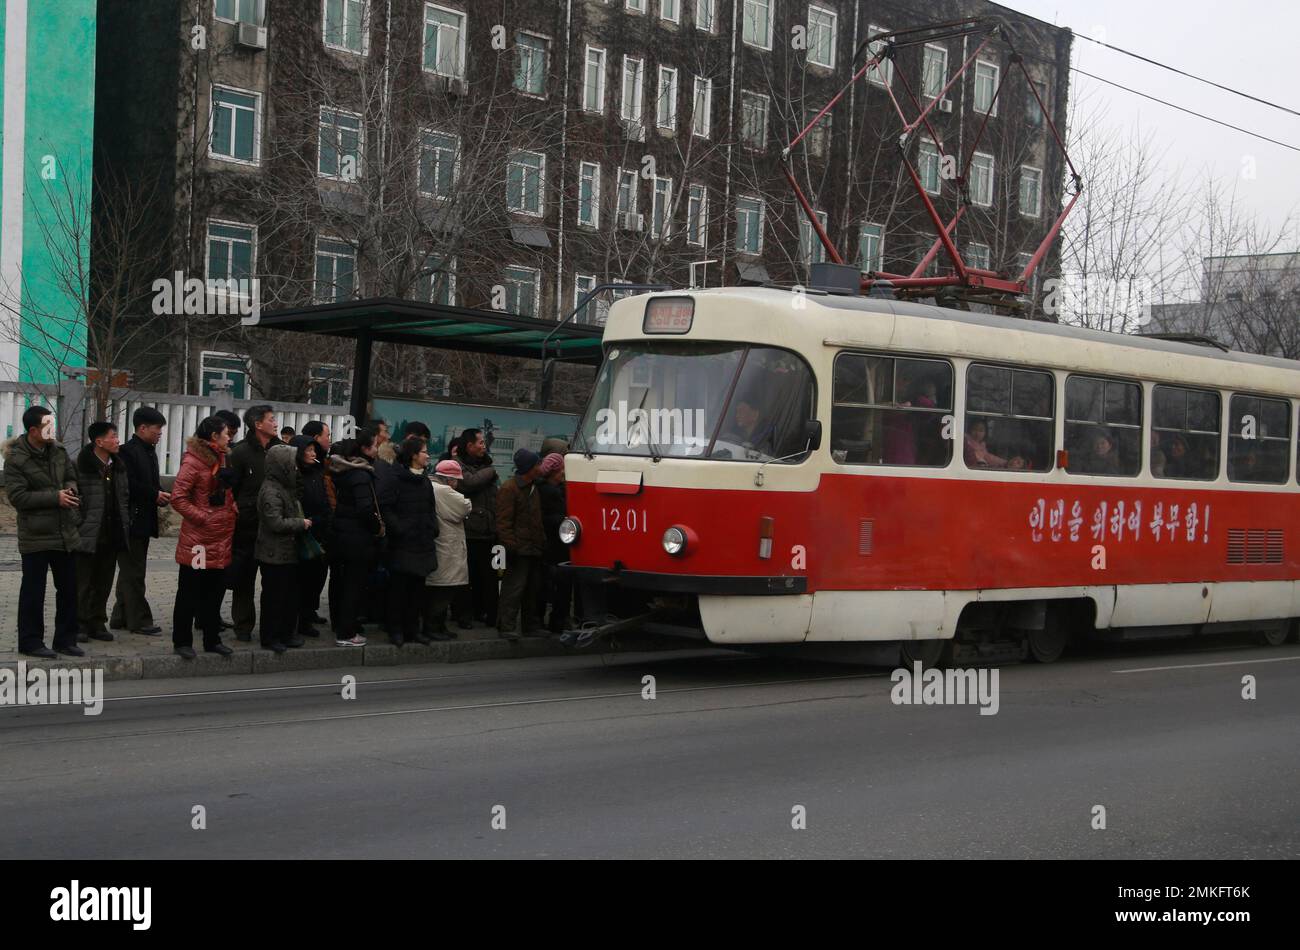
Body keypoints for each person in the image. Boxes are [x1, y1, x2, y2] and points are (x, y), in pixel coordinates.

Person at [4, 406, 82, 658]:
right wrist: (54, 497)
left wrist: (70, 490)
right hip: (36, 534)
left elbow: (71, 476)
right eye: (48, 426)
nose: (53, 430)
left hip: (64, 531)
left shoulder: (58, 450)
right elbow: (18, 497)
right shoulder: (16, 459)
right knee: (33, 592)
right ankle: (31, 642)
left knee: (69, 588)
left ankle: (66, 639)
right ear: (33, 430)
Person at [170, 416, 237, 658]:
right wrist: (202, 517)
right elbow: (178, 497)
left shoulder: (221, 458)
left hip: (220, 538)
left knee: (215, 592)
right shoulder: (194, 462)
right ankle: (182, 641)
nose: (229, 437)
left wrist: (232, 507)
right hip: (198, 541)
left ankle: (212, 639)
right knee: (189, 593)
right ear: (213, 437)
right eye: (225, 433)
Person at [110, 406, 168, 637]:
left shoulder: (149, 451)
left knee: (131, 571)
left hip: (143, 519)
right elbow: (129, 485)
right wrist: (154, 495)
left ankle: (120, 616)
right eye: (157, 429)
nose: (160, 434)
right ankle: (139, 620)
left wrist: (160, 493)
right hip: (130, 521)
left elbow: (151, 481)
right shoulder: (127, 452)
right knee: (134, 572)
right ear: (142, 428)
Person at [72, 421, 131, 644]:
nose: (117, 440)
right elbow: (73, 500)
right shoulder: (80, 466)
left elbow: (123, 498)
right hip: (88, 534)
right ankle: (79, 624)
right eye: (113, 436)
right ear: (99, 442)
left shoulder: (118, 466)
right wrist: (80, 524)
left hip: (112, 532)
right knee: (82, 583)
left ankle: (98, 622)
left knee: (104, 582)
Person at [378, 436, 439, 646]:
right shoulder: (396, 477)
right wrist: (400, 528)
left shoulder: (425, 481)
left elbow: (431, 508)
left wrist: (433, 528)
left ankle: (413, 630)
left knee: (417, 591)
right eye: (424, 451)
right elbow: (386, 507)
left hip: (423, 543)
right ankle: (396, 630)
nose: (427, 455)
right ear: (414, 455)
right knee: (398, 591)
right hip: (402, 544)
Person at [228, 404, 280, 641]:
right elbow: (231, 487)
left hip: (275, 525)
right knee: (244, 580)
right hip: (247, 525)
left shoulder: (282, 450)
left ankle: (272, 628)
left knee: (274, 582)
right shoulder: (239, 453)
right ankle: (243, 626)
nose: (276, 423)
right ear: (258, 424)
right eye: (271, 419)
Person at [255, 444, 311, 653]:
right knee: (274, 599)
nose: (295, 468)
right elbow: (275, 523)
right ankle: (270, 637)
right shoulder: (270, 490)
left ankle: (287, 634)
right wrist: (301, 523)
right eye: (291, 464)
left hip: (287, 552)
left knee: (288, 597)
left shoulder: (284, 487)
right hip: (273, 554)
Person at [326, 433, 380, 646]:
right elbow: (365, 508)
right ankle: (347, 633)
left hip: (342, 534)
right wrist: (376, 528)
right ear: (364, 450)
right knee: (353, 586)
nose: (377, 449)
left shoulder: (343, 472)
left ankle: (342, 626)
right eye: (375, 445)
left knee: (343, 584)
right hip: (356, 538)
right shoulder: (361, 476)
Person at [496, 448, 546, 640]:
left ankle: (530, 626)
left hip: (533, 547)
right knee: (513, 589)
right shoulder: (510, 489)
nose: (540, 467)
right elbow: (503, 522)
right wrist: (511, 546)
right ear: (529, 468)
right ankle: (506, 626)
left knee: (532, 589)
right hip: (519, 549)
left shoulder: (533, 487)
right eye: (537, 464)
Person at [456, 427, 499, 628]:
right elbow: (468, 483)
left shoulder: (485, 465)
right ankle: (465, 615)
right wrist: (490, 471)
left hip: (489, 532)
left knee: (488, 577)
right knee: (467, 577)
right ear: (469, 445)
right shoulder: (459, 465)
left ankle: (486, 613)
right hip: (469, 531)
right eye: (480, 443)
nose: (484, 446)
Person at [425, 459, 472, 641]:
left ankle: (439, 626)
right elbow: (464, 506)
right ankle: (434, 627)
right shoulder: (442, 490)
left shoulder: (431, 486)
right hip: (447, 546)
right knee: (443, 591)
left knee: (440, 590)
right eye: (456, 480)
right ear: (449, 479)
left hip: (442, 544)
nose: (457, 484)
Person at [291, 436, 331, 639]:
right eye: (308, 450)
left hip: (320, 530)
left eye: (314, 449)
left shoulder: (318, 472)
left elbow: (325, 499)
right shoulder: (293, 474)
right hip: (301, 532)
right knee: (300, 582)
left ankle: (307, 617)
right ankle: (298, 622)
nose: (313, 453)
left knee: (314, 580)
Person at [536, 453, 573, 634]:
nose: (563, 473)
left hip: (550, 545)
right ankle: (557, 621)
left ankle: (548, 620)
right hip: (554, 546)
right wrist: (564, 520)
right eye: (561, 470)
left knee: (546, 585)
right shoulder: (550, 492)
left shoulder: (545, 489)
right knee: (556, 586)